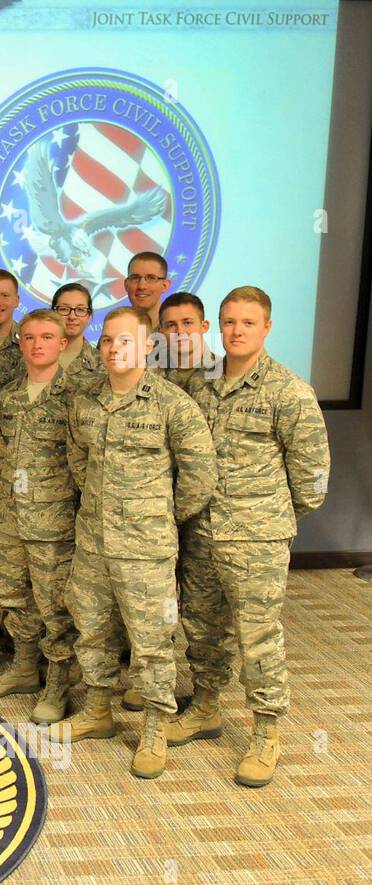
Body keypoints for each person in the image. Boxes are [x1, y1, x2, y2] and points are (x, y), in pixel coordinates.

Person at [175, 286, 330, 787]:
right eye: (229, 322)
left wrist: (269, 520)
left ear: (266, 327)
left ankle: (267, 731)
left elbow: (312, 480)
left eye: (247, 322)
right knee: (201, 625)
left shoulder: (289, 391)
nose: (236, 331)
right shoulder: (202, 383)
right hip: (201, 530)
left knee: (258, 636)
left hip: (256, 538)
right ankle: (205, 705)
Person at [54, 307, 215, 780]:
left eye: (124, 340)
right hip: (93, 542)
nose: (113, 348)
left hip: (146, 549)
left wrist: (157, 517)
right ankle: (98, 708)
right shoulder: (86, 403)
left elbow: (199, 479)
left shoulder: (173, 405)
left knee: (151, 640)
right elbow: (77, 464)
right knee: (93, 628)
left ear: (148, 346)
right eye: (107, 341)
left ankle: (154, 725)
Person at [0, 310, 79, 719]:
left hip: (53, 521)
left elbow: (84, 461)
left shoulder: (76, 396)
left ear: (62, 343)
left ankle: (56, 681)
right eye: (30, 337)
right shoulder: (8, 395)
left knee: (54, 604)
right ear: (20, 342)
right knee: (13, 595)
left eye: (47, 337)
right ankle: (22, 667)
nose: (37, 345)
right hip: (10, 517)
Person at [157, 290, 219, 392]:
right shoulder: (146, 373)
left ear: (204, 326)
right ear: (161, 332)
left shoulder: (225, 373)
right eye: (171, 325)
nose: (180, 331)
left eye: (187, 323)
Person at [50, 282, 105, 395]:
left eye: (80, 310)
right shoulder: (34, 357)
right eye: (64, 309)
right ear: (53, 313)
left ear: (89, 316)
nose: (72, 316)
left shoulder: (103, 364)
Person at [123, 251, 170, 336]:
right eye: (135, 278)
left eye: (151, 278)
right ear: (126, 285)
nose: (142, 286)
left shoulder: (175, 332)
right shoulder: (115, 330)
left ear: (165, 285)